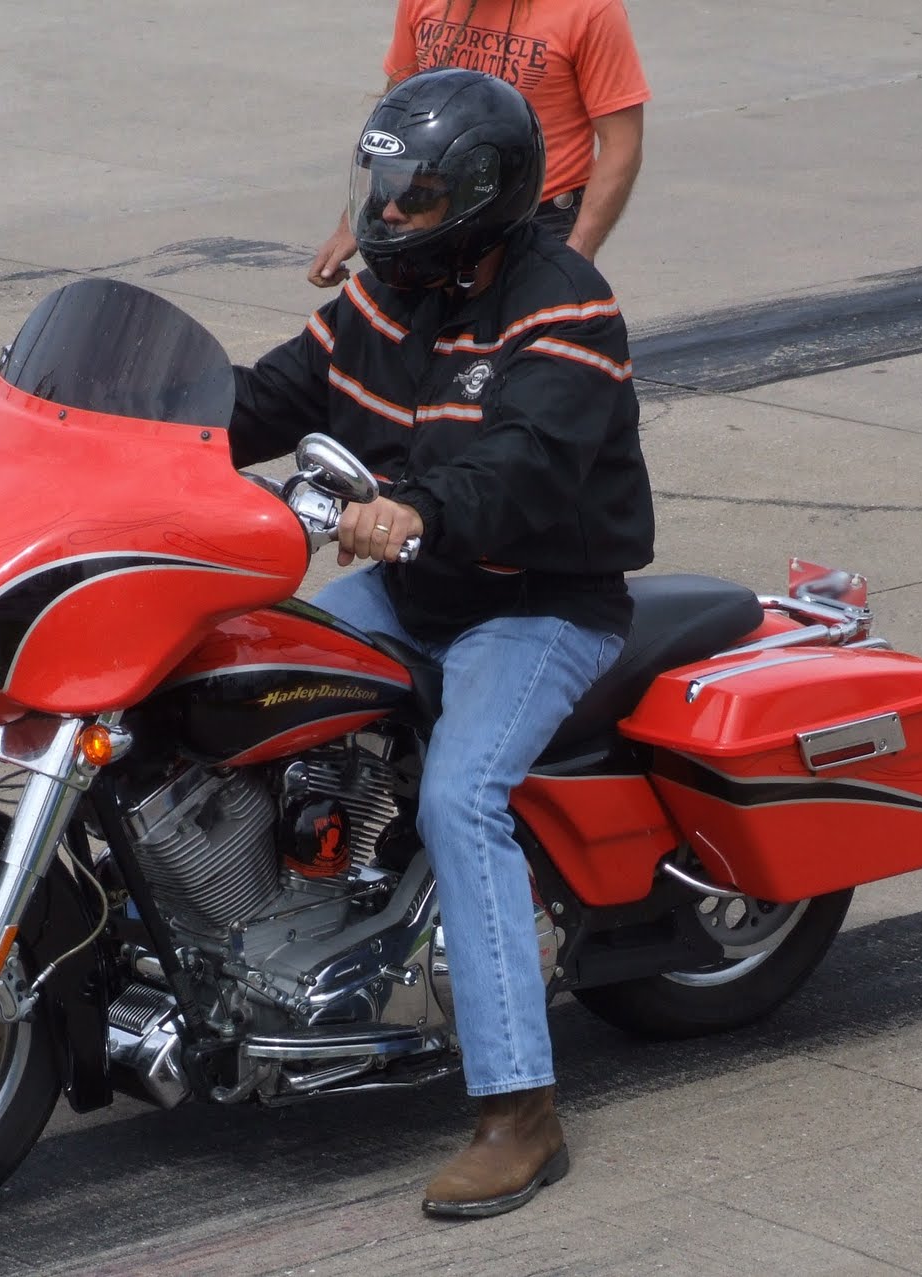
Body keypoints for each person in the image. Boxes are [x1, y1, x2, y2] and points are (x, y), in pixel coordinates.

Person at [232, 68, 654, 1218]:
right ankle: (294, 934)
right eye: (380, 188)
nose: (386, 214)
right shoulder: (377, 302)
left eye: (413, 198)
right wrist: (108, 422)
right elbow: (260, 398)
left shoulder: (562, 303)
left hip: (537, 603)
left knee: (461, 794)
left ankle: (519, 1106)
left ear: (477, 195)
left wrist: (418, 511)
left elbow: (524, 464)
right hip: (412, 594)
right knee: (242, 676)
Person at [308, 0, 649, 286]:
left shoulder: (590, 9)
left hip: (534, 222)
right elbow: (400, 118)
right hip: (431, 212)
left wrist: (578, 251)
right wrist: (355, 221)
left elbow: (622, 144)